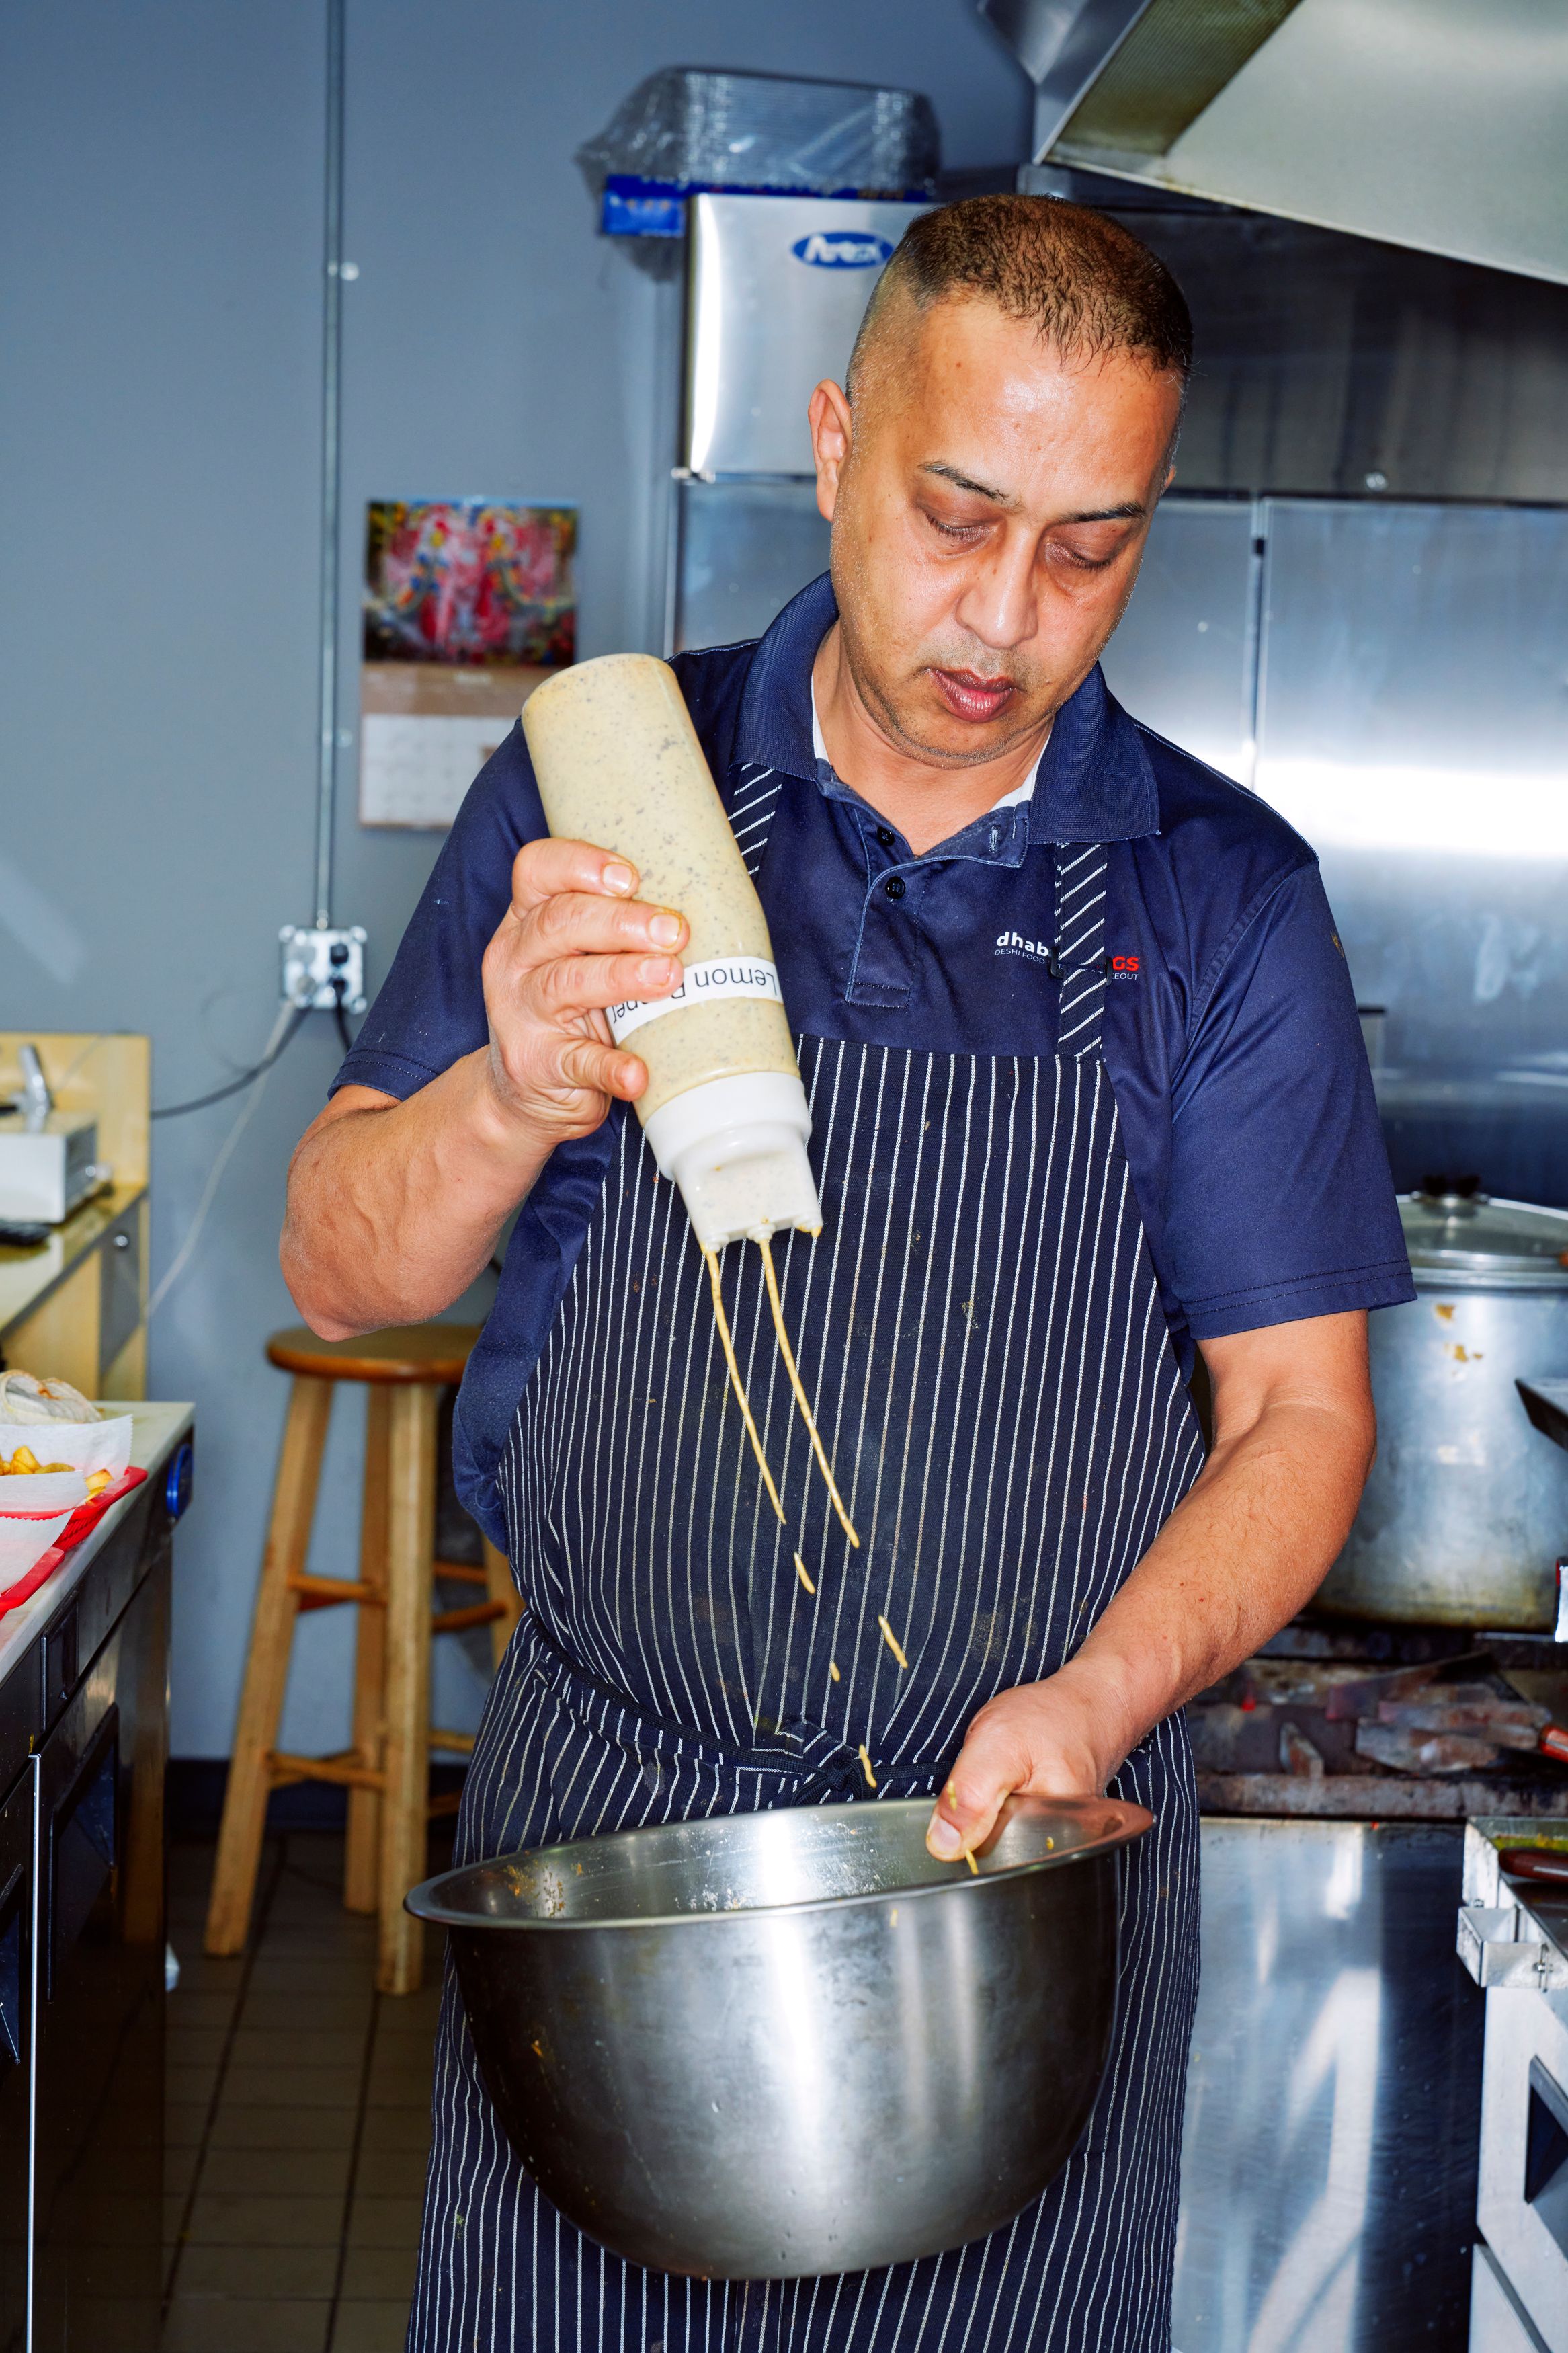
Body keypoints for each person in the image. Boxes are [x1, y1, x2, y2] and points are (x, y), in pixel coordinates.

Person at [282, 196, 1413, 2351]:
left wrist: (1097, 1702)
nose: (1005, 613)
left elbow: (1302, 1413)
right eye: (956, 515)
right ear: (832, 441)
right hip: (622, 1862)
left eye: (1090, 547)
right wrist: (508, 1092)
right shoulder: (609, 794)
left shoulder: (1224, 902)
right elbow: (338, 1262)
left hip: (1021, 1876)